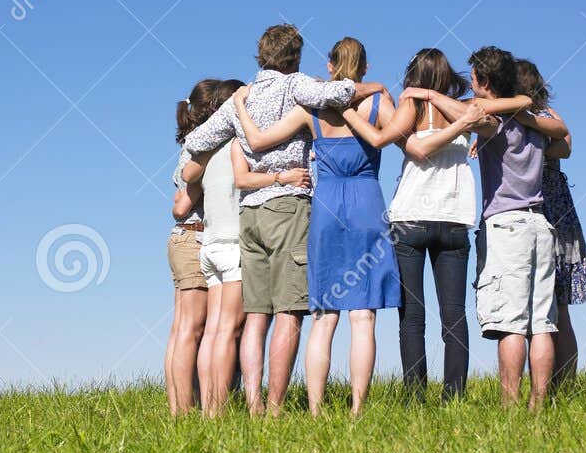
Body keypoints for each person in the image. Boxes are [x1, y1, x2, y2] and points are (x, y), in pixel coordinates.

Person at [182, 23, 383, 413]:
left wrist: (238, 117)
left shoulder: (244, 95)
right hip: (288, 203)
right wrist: (372, 87)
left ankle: (253, 402)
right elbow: (338, 91)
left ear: (260, 55)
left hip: (250, 211)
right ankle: (275, 407)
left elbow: (195, 141)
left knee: (256, 315)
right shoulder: (296, 86)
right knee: (289, 313)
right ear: (295, 57)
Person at [232, 38, 399, 416]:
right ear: (366, 68)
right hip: (367, 203)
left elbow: (258, 141)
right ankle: (357, 409)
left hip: (326, 208)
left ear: (329, 68)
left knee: (324, 316)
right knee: (364, 315)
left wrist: (240, 105)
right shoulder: (377, 103)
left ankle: (315, 409)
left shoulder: (310, 111)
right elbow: (407, 142)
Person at [341, 48, 487, 402]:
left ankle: (414, 396)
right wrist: (455, 121)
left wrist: (420, 98)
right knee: (454, 315)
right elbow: (468, 122)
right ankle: (454, 397)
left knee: (412, 317)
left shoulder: (413, 105)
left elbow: (398, 143)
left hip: (410, 219)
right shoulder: (463, 109)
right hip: (453, 219)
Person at [427, 47, 568, 410]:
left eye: (473, 78)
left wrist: (427, 93)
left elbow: (470, 113)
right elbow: (561, 135)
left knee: (511, 324)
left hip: (507, 225)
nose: (470, 83)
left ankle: (510, 405)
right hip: (539, 222)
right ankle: (539, 404)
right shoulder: (531, 118)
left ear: (485, 81)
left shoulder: (496, 119)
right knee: (542, 324)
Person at [515, 58, 586, 386]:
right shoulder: (546, 118)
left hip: (536, 211)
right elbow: (565, 147)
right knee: (557, 311)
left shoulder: (524, 121)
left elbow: (564, 145)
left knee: (536, 311)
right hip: (560, 212)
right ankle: (561, 386)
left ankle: (550, 386)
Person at [177, 79, 259, 415]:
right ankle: (218, 409)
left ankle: (207, 406)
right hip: (234, 246)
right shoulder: (244, 145)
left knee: (212, 331)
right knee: (229, 330)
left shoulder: (206, 152)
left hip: (208, 247)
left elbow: (186, 179)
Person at [165, 80, 217, 414]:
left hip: (182, 240)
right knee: (191, 329)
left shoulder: (190, 145)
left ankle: (178, 408)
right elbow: (182, 205)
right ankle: (183, 410)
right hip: (193, 237)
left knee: (181, 328)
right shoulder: (199, 151)